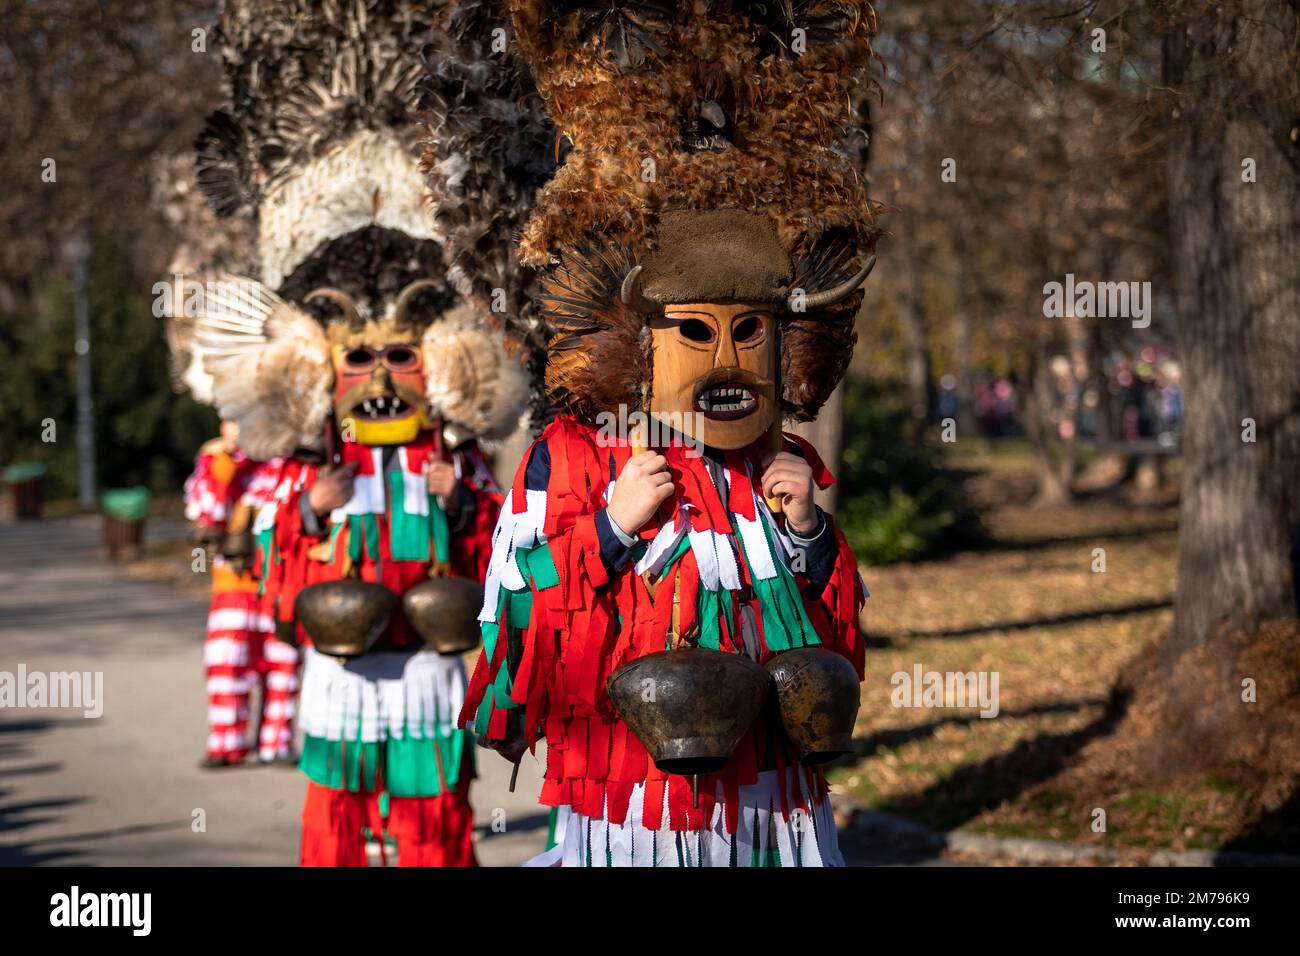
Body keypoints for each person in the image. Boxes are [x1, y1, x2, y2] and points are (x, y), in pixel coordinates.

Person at [460, 1, 881, 866]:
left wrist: (809, 536)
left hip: (773, 796)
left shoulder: (785, 459)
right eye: (695, 329)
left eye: (749, 330)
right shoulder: (573, 457)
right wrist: (610, 527)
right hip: (633, 799)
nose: (725, 359)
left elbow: (835, 638)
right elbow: (522, 617)